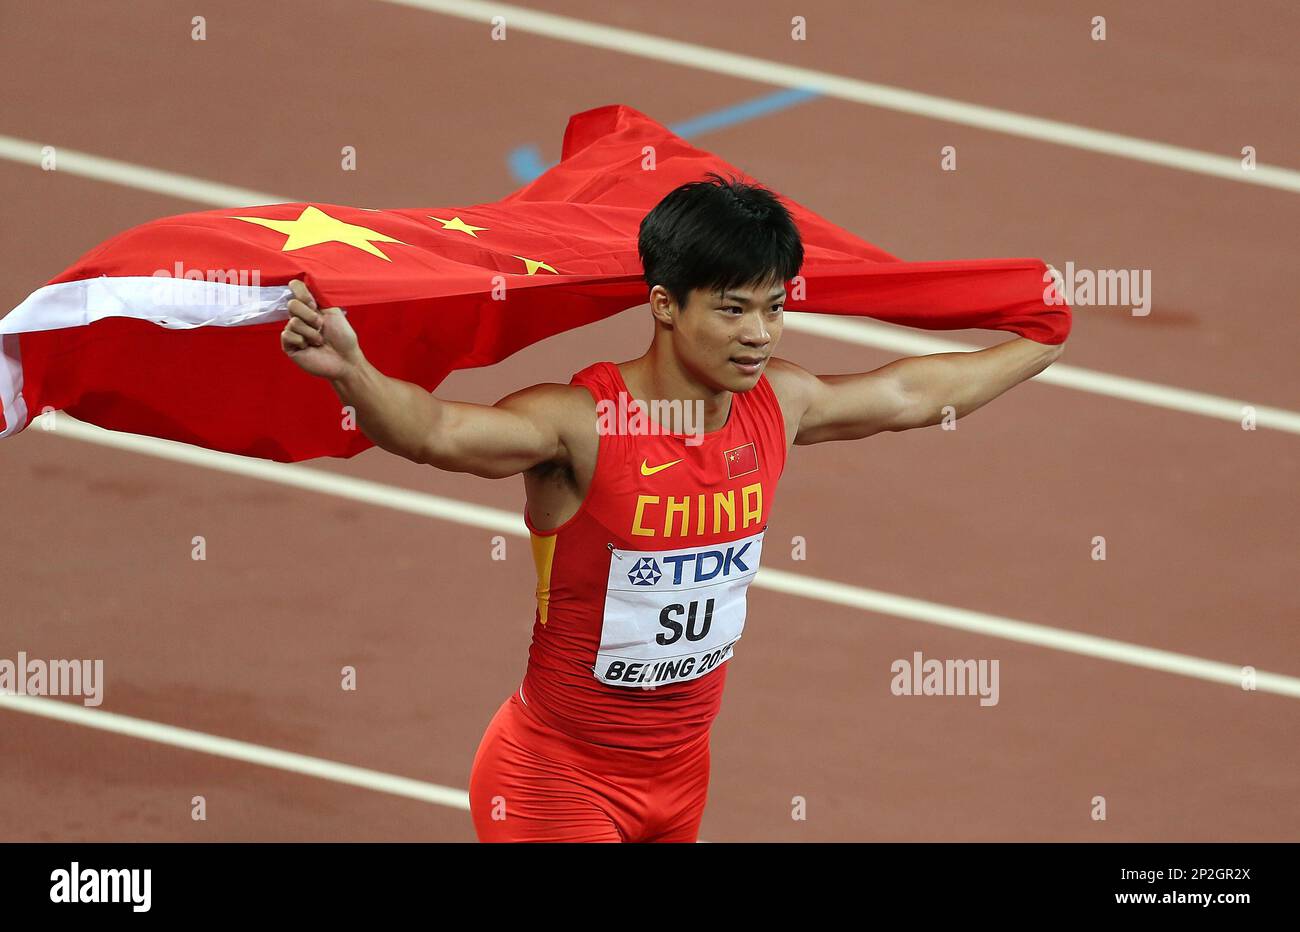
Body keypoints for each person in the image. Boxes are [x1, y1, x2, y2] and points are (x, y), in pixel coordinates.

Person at [280, 172, 1065, 842]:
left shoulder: (780, 404)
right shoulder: (579, 426)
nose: (759, 334)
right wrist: (353, 373)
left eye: (773, 308)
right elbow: (437, 432)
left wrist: (1041, 339)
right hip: (556, 781)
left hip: (682, 776)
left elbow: (909, 395)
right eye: (732, 310)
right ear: (664, 304)